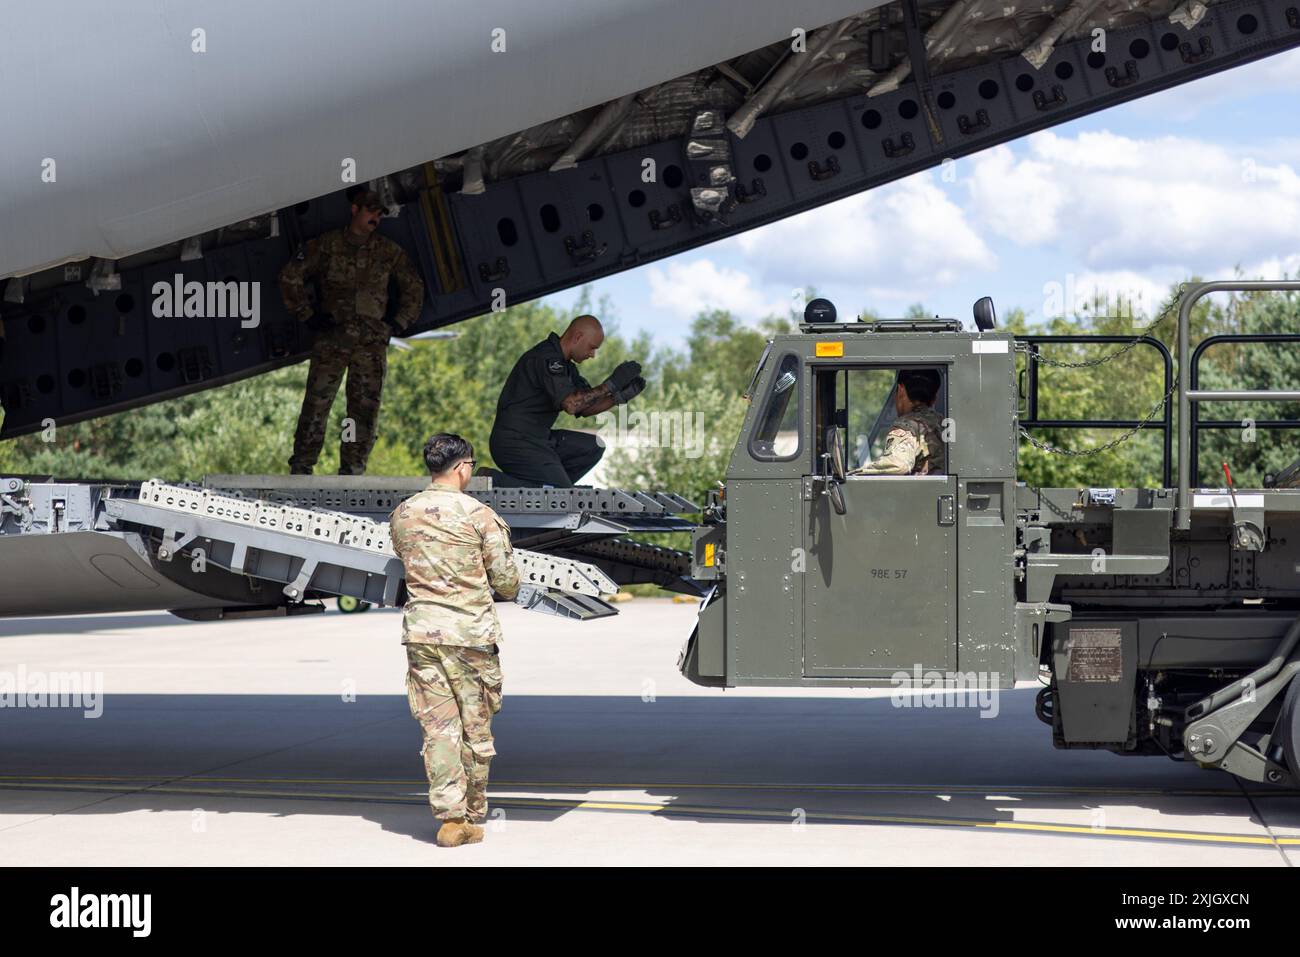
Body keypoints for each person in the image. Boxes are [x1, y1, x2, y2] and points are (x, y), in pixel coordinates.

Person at [389, 433, 521, 848]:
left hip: (423, 634)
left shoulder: (403, 513)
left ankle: (448, 818)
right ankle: (471, 815)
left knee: (438, 729)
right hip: (469, 637)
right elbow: (507, 583)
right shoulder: (478, 515)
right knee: (475, 729)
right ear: (463, 467)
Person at [279, 189, 425, 475]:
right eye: (371, 210)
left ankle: (353, 470)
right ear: (354, 210)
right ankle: (302, 466)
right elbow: (290, 276)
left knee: (364, 410)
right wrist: (308, 316)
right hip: (333, 340)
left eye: (380, 213)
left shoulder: (388, 251)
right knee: (317, 404)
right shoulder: (327, 245)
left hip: (370, 344)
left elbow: (413, 286)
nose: (376, 217)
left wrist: (397, 324)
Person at [488, 314, 646, 486]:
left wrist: (619, 397)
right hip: (513, 442)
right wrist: (610, 385)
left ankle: (552, 490)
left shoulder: (567, 367)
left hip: (538, 439)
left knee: (592, 448)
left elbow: (584, 407)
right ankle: (494, 481)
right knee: (560, 494)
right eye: (592, 348)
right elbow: (571, 404)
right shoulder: (546, 358)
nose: (592, 355)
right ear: (578, 337)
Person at [849, 370, 946, 475]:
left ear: (901, 390)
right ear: (934, 399)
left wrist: (855, 474)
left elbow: (897, 465)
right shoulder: (943, 423)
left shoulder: (907, 426)